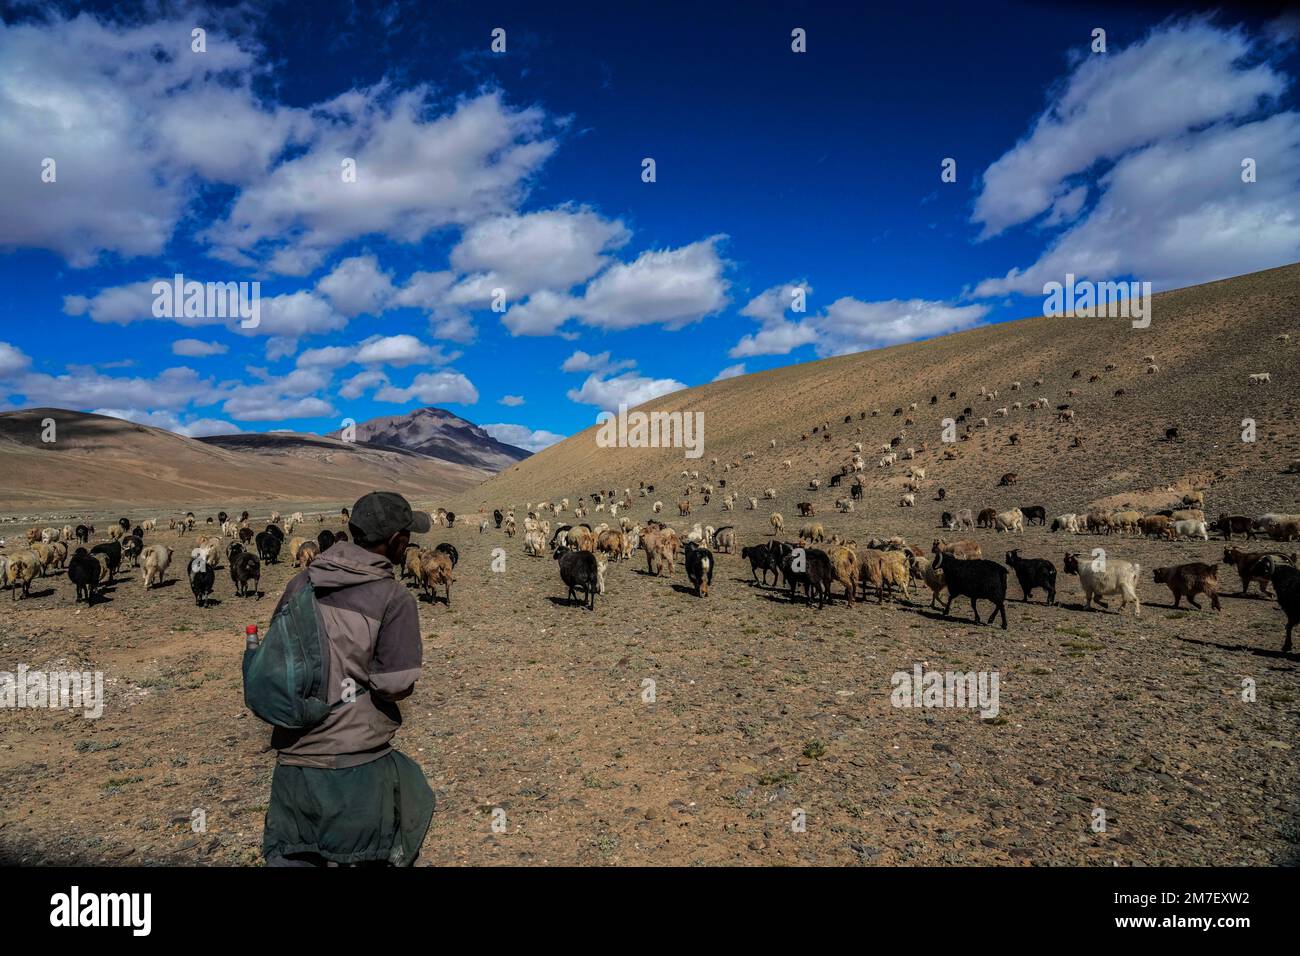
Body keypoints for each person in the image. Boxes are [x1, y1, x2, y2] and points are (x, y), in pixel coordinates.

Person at [261, 491, 435, 867]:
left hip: (293, 762)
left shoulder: (300, 583)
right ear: (398, 541)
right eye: (407, 537)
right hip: (355, 765)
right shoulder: (393, 597)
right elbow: (395, 684)